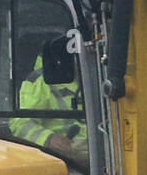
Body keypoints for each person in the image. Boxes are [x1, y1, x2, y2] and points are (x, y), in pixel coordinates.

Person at [9, 36, 88, 167]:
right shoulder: (41, 82)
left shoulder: (98, 78)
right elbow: (20, 122)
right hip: (65, 163)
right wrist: (48, 139)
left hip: (105, 158)